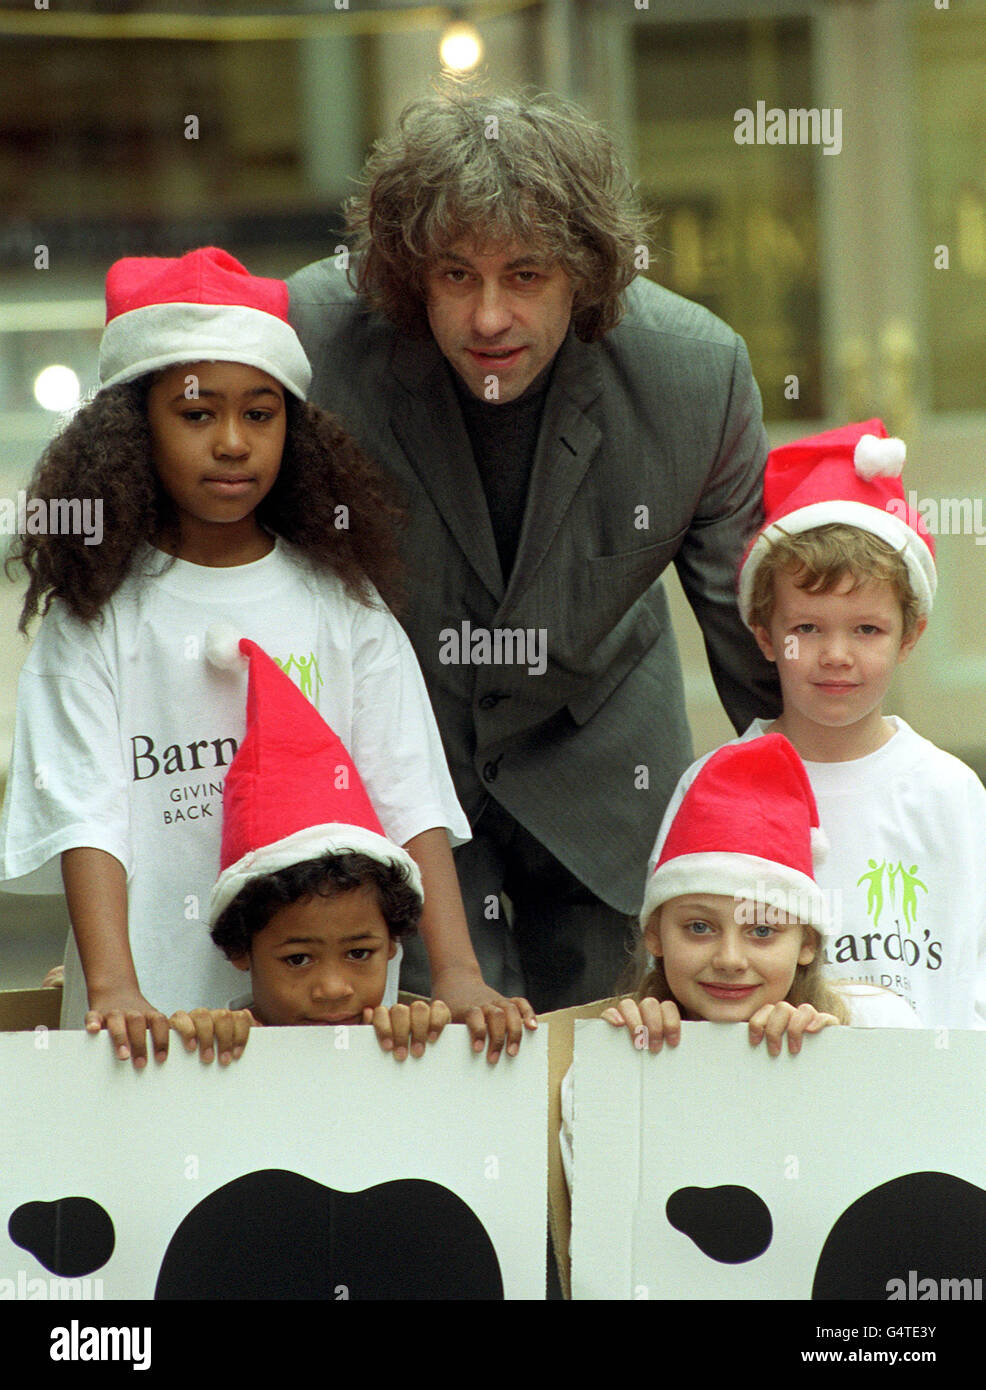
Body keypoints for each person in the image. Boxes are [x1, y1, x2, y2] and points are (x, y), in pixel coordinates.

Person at [287, 85, 780, 1011]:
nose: (488, 318)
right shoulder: (312, 340)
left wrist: (804, 868)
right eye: (455, 275)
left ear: (586, 273)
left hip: (605, 760)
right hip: (409, 769)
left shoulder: (694, 374)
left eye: (526, 275)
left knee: (616, 1049)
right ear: (408, 274)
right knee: (443, 1054)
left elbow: (757, 655)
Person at [0, 246, 534, 1065]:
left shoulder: (340, 601)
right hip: (148, 1022)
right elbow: (85, 813)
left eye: (259, 413)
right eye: (196, 414)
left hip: (332, 1023)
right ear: (133, 428)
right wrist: (112, 985)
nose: (232, 442)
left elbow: (408, 796)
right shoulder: (96, 613)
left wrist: (458, 972)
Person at [653, 419, 986, 1029]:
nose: (836, 655)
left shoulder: (950, 792)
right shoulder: (714, 784)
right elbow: (683, 971)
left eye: (867, 629)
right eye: (807, 628)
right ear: (764, 634)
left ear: (909, 636)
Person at [560, 734, 918, 1190]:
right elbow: (603, 1216)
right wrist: (631, 1074)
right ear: (655, 936)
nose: (729, 959)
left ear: (807, 943)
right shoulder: (611, 1059)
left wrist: (834, 1068)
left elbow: (913, 1193)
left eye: (762, 931)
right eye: (699, 927)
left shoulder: (880, 1027)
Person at [170, 633, 452, 1065]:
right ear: (241, 950)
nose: (334, 989)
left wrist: (427, 1046)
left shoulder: (413, 1040)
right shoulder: (213, 1047)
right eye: (298, 958)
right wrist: (199, 1054)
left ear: (393, 942)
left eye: (359, 953)